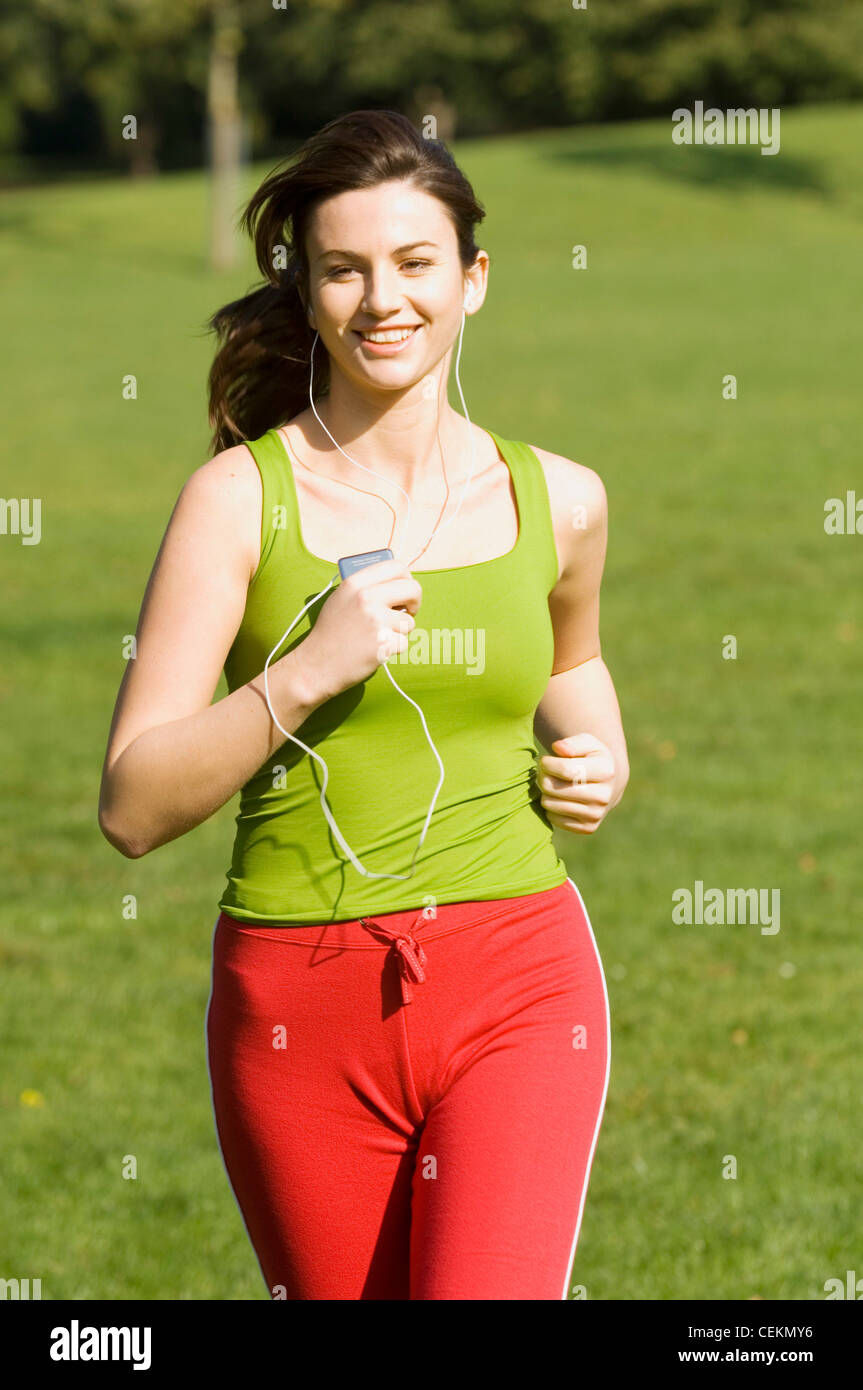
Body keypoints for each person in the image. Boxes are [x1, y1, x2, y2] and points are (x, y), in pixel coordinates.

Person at [97, 109, 629, 1301]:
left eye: (413, 263)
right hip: (296, 1002)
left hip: (518, 977)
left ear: (472, 279)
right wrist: (303, 671)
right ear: (306, 289)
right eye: (343, 268)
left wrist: (601, 763)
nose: (380, 299)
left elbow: (570, 672)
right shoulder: (237, 503)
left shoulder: (565, 499)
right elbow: (132, 803)